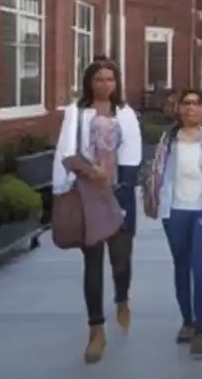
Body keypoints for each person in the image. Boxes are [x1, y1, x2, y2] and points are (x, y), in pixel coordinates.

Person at [51, 57, 144, 364]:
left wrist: (122, 188)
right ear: (89, 82)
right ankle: (96, 330)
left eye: (110, 79)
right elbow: (66, 152)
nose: (105, 85)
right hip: (87, 192)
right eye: (99, 79)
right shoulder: (76, 112)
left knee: (121, 260)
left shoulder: (125, 113)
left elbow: (133, 154)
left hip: (118, 193)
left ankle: (122, 297)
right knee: (92, 262)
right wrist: (88, 175)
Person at [143, 89, 202, 359]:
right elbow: (158, 172)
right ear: (179, 109)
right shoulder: (168, 140)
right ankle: (187, 321)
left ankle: (201, 330)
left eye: (196, 104)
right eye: (186, 103)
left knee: (200, 268)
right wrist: (155, 199)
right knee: (181, 266)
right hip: (175, 212)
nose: (191, 108)